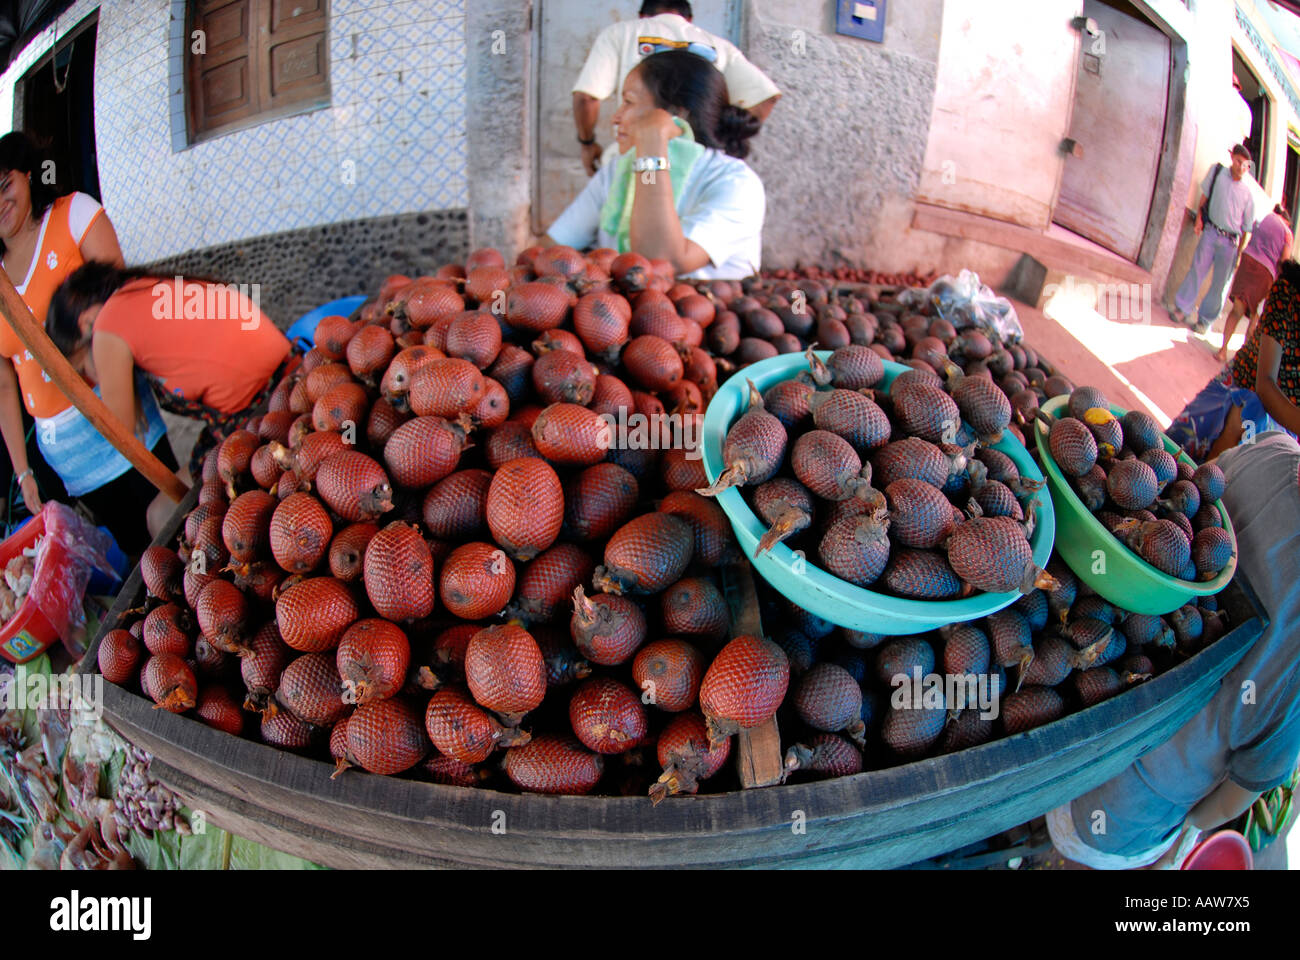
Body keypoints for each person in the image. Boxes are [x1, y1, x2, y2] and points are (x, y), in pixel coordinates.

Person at [1046, 431, 1300, 869]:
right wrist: (1191, 828)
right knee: (1080, 850)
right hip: (1133, 789)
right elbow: (1241, 789)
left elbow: (1195, 491)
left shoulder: (1272, 450)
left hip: (1069, 683)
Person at [0, 131, 174, 553]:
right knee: (139, 556)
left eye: (5, 186)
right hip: (72, 459)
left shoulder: (74, 215)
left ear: (28, 174)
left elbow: (124, 307)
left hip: (124, 419)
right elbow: (5, 384)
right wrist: (23, 471)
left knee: (176, 528)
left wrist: (123, 405)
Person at [47, 263, 293, 496]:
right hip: (289, 371)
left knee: (157, 514)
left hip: (264, 408)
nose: (90, 379)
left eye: (82, 369)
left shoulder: (106, 326)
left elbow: (120, 430)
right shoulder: (142, 287)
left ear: (86, 322)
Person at [548, 49, 765, 280]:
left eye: (628, 102)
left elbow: (658, 263)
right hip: (621, 312)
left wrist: (652, 143)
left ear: (675, 114)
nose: (616, 117)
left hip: (704, 310)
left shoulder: (735, 183)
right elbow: (553, 245)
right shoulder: (618, 170)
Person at [572, 1, 780, 176]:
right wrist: (725, 137)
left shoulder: (620, 33)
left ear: (642, 16)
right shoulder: (719, 45)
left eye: (628, 102)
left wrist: (587, 143)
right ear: (689, 19)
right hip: (696, 161)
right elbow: (764, 97)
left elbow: (586, 98)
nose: (616, 118)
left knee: (632, 212)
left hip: (639, 160)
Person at [1166, 259, 1300, 461]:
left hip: (1286, 430)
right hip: (1238, 392)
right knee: (1246, 413)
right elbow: (1265, 385)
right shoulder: (1288, 292)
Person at [1170, 144, 1256, 336]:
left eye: (1246, 166)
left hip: (1230, 243)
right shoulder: (1217, 173)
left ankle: (1204, 321)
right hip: (1211, 232)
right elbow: (1204, 198)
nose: (1241, 167)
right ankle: (1182, 309)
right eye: (1239, 162)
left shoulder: (1248, 195)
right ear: (1232, 158)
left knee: (1219, 284)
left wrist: (1240, 254)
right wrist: (1199, 218)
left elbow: (1247, 228)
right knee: (1196, 270)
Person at [1216, 203, 1292, 363]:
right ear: (1287, 221)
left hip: (1248, 260)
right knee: (1254, 318)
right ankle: (1240, 360)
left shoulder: (1264, 218)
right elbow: (1284, 262)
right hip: (1265, 272)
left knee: (1237, 309)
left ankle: (1222, 351)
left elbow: (1248, 234)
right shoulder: (1287, 233)